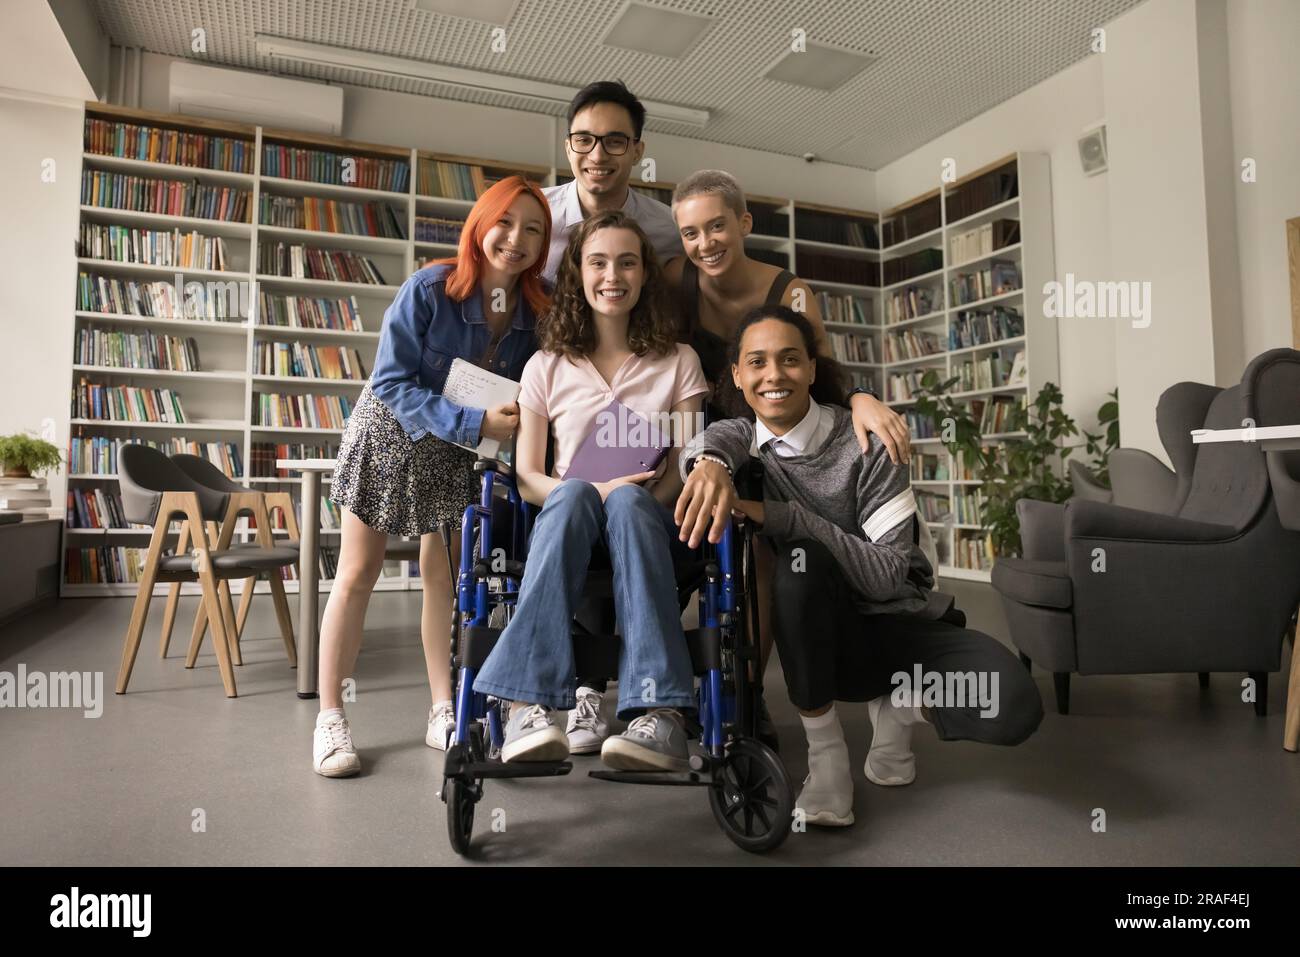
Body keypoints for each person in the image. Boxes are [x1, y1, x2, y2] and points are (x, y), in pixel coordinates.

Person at [675, 305, 1044, 825]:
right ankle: (828, 761)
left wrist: (783, 516)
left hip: (898, 622)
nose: (773, 375)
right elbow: (708, 441)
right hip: (825, 641)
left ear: (811, 367)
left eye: (789, 360)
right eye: (756, 362)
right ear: (737, 374)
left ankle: (901, 703)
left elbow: (890, 574)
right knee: (799, 567)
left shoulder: (868, 440)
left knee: (1014, 707)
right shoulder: (740, 440)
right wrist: (709, 464)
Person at [664, 168, 914, 747]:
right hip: (701, 431)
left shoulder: (791, 291)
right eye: (692, 233)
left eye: (718, 227)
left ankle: (746, 698)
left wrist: (860, 398)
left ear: (745, 223)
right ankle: (679, 692)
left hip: (773, 432)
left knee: (765, 554)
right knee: (697, 556)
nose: (706, 244)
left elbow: (816, 371)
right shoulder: (674, 279)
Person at [312, 176, 551, 778]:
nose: (515, 239)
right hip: (392, 436)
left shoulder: (539, 310)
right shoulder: (430, 288)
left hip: (459, 453)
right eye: (505, 222)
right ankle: (331, 718)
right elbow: (389, 382)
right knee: (358, 573)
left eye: (533, 230)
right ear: (480, 224)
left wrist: (506, 426)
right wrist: (476, 422)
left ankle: (445, 707)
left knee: (443, 578)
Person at [472, 211, 708, 771]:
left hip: (651, 524)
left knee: (629, 501)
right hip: (566, 525)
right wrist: (596, 488)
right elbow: (528, 475)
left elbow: (685, 464)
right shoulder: (546, 366)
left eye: (628, 262)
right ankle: (528, 707)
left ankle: (661, 718)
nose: (613, 275)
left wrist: (629, 495)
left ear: (646, 274)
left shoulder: (679, 362)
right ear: (577, 273)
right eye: (598, 262)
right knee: (576, 493)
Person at [541, 80, 682, 284]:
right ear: (569, 148)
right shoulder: (533, 216)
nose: (597, 156)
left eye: (615, 142)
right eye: (584, 140)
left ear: (637, 152)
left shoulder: (668, 230)